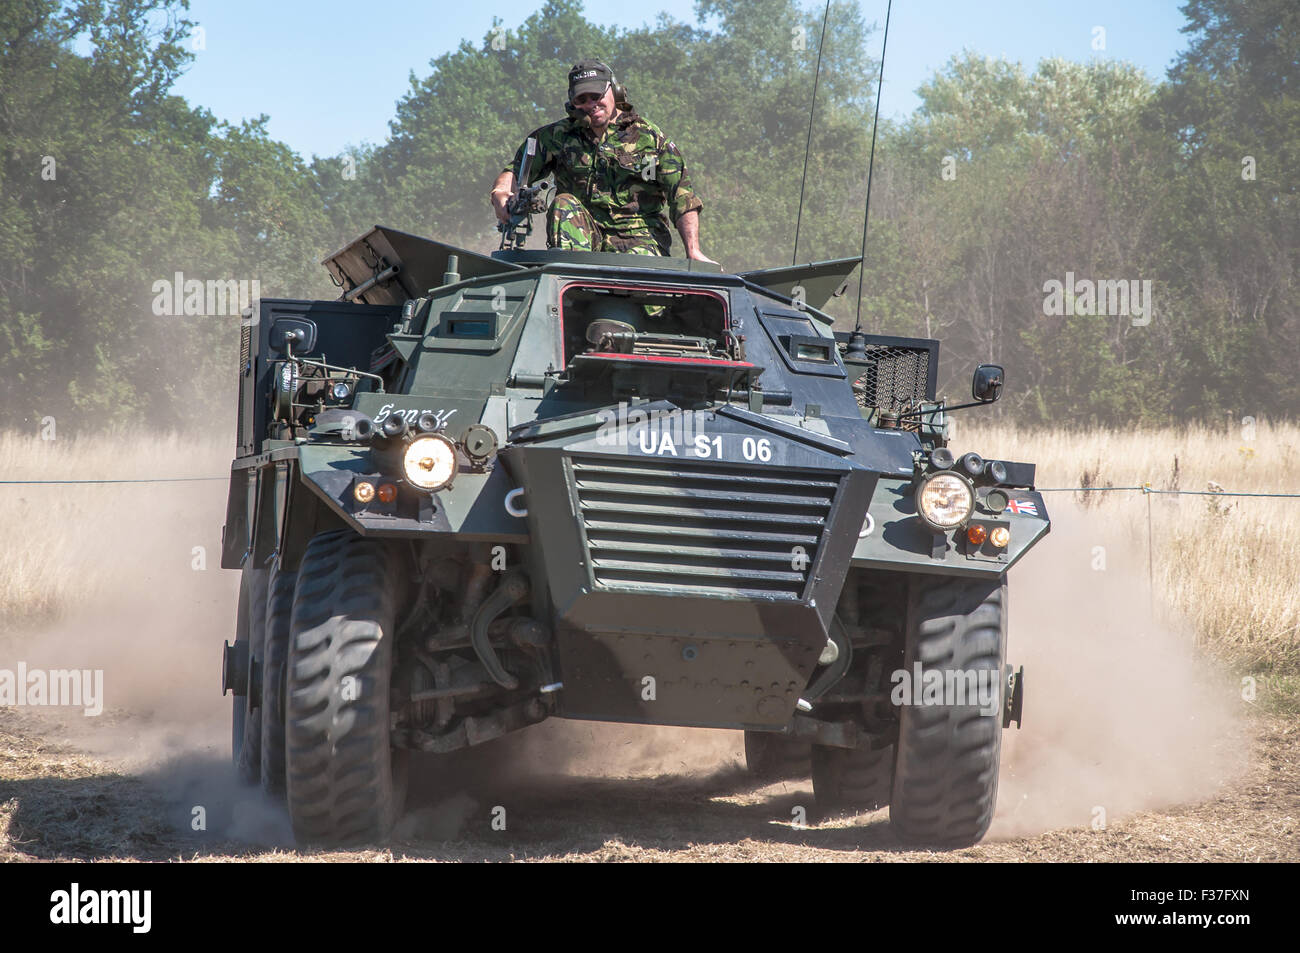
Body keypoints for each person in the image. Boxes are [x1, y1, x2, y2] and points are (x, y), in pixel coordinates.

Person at [490, 60, 715, 262]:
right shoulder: (556, 137)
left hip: (639, 237)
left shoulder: (650, 138)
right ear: (572, 103)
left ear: (614, 92)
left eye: (596, 96)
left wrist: (692, 250)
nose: (591, 104)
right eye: (582, 99)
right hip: (583, 238)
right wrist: (500, 193)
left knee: (646, 294)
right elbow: (516, 171)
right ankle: (573, 284)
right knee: (563, 202)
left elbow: (682, 196)